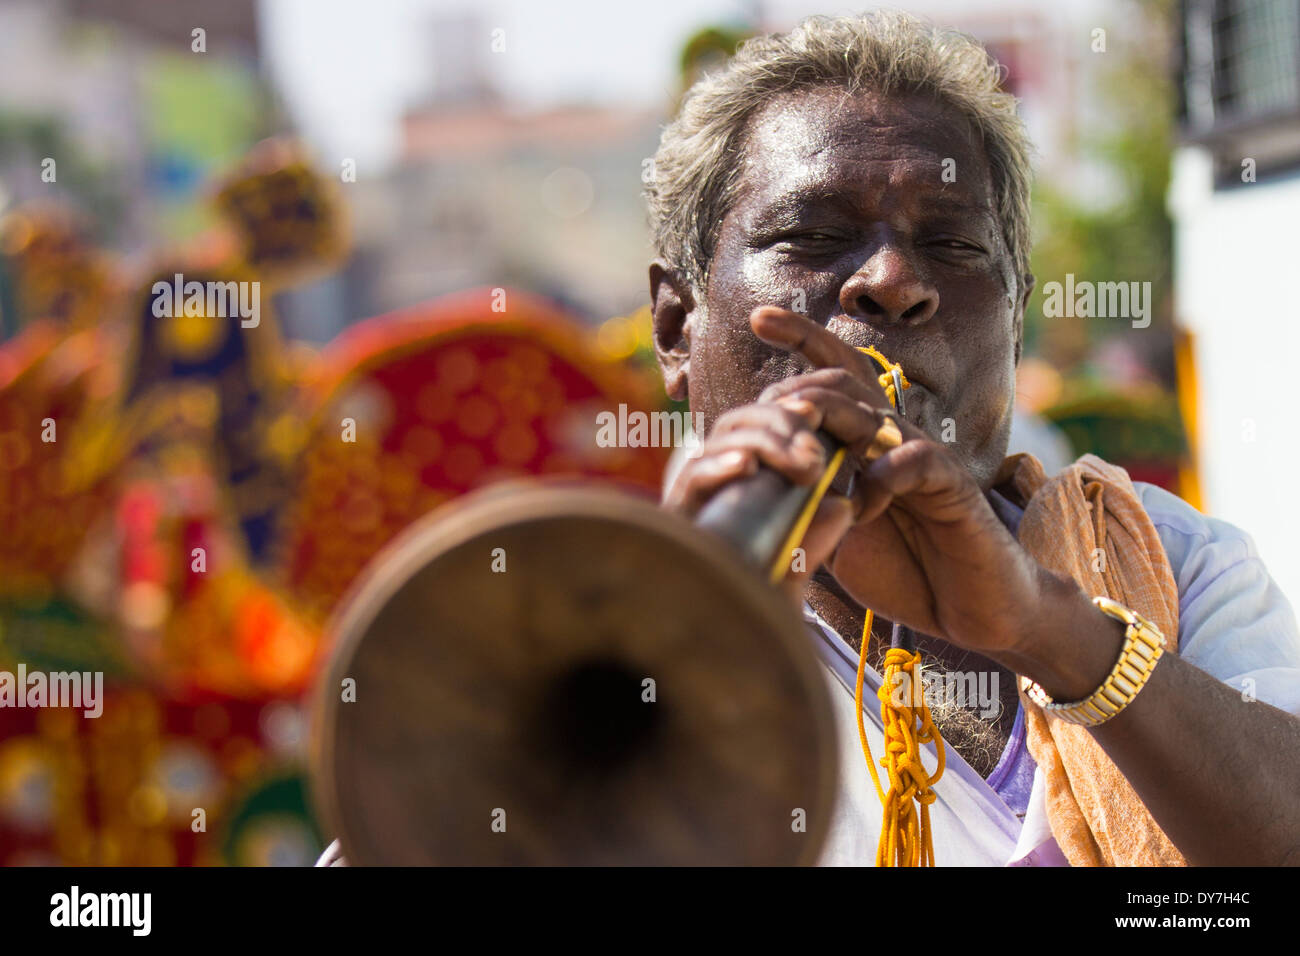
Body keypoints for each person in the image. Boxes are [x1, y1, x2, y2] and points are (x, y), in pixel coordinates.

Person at [648, 11, 1300, 865]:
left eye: (954, 243)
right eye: (812, 236)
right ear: (674, 327)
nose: (894, 282)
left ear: (1017, 324)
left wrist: (1052, 633)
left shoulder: (1175, 563)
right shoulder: (598, 629)